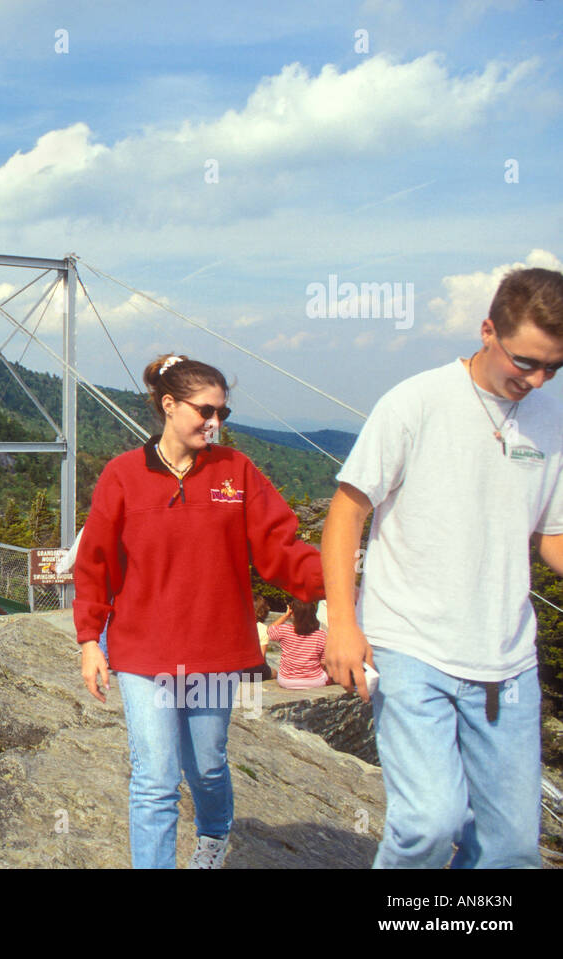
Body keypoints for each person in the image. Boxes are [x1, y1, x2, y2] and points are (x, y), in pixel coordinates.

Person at [322, 267, 563, 869]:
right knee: (429, 822)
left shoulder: (552, 423)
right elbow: (346, 515)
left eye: (554, 368)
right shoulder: (415, 402)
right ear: (488, 330)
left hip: (506, 660)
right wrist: (344, 626)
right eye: (525, 362)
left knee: (510, 848)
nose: (536, 381)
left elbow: (551, 535)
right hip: (410, 646)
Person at [74, 354, 324, 869]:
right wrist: (88, 642)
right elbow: (95, 565)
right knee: (155, 777)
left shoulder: (237, 472)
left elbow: (281, 548)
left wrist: (340, 581)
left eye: (223, 414)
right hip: (143, 653)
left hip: (215, 653)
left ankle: (213, 836)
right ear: (169, 405)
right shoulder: (122, 476)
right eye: (206, 411)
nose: (215, 423)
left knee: (207, 766)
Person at [269, 599, 328, 690]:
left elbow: (270, 630)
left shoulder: (285, 630)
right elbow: (323, 663)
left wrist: (286, 616)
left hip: (286, 681)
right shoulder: (321, 635)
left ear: (293, 613)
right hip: (314, 681)